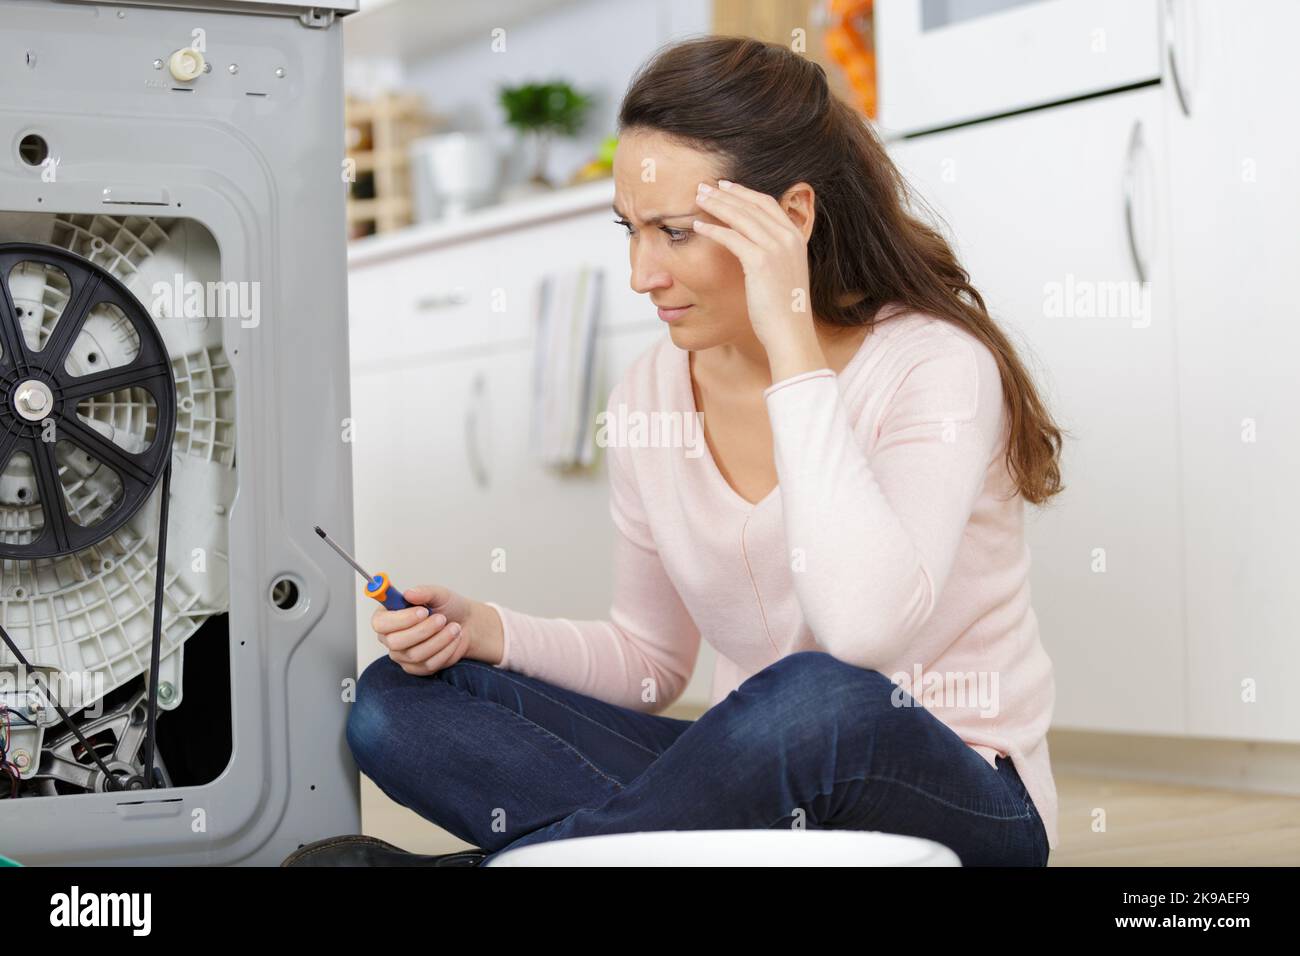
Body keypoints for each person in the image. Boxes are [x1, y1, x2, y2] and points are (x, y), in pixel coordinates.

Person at [346, 35, 1066, 867]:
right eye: (631, 231)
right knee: (394, 705)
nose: (641, 274)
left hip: (958, 798)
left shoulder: (936, 367)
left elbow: (863, 634)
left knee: (817, 697)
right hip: (757, 780)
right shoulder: (651, 393)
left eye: (677, 233)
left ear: (790, 219)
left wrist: (790, 341)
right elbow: (652, 663)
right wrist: (490, 631)